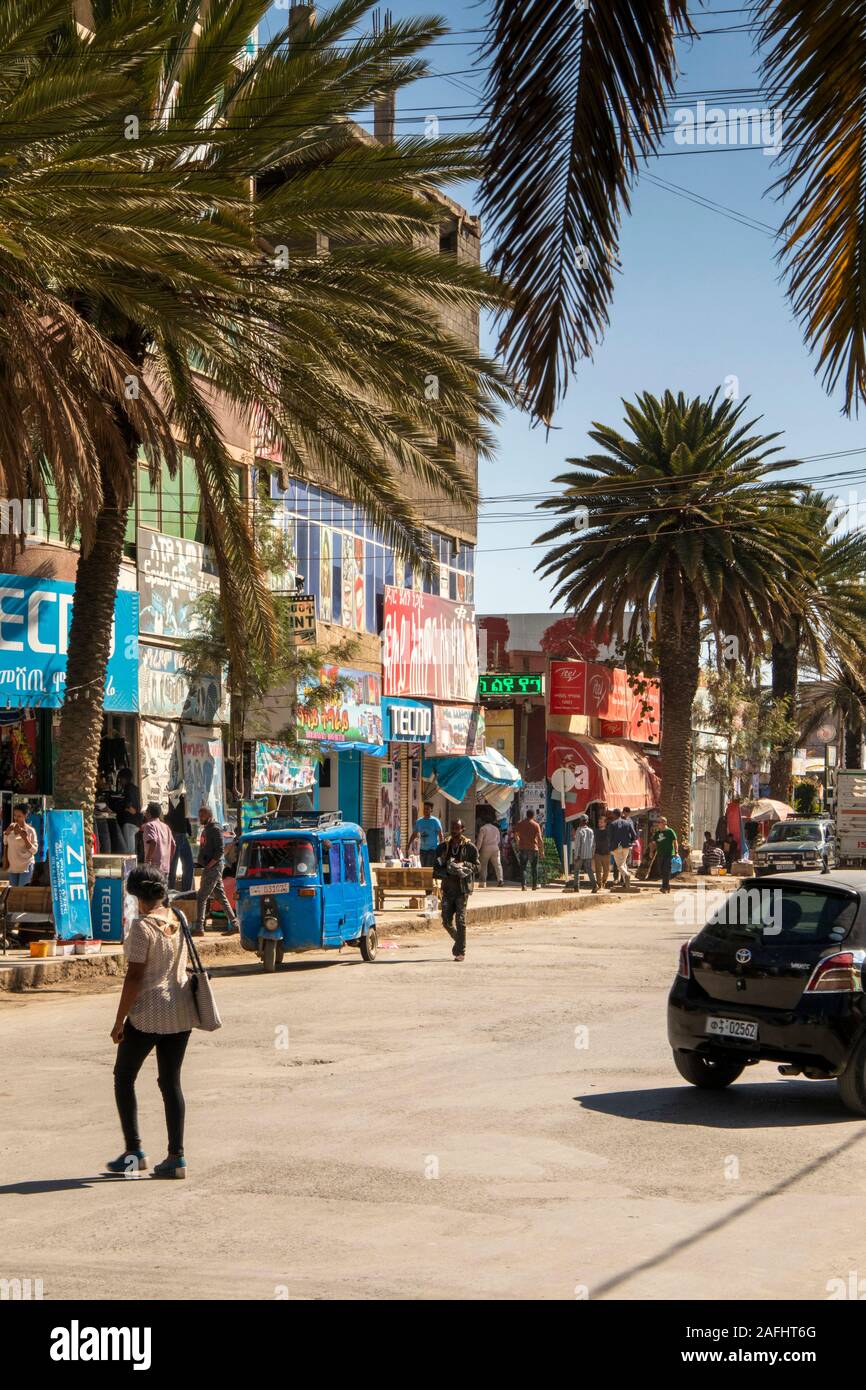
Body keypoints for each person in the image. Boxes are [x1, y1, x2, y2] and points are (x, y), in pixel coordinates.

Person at [107, 864, 196, 1180]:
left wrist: (119, 1021)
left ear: (136, 896)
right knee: (170, 1082)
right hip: (182, 1011)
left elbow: (134, 977)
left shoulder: (142, 928)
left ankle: (134, 1153)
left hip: (148, 1013)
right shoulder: (179, 918)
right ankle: (177, 1157)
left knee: (124, 1076)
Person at [433, 820, 479, 962]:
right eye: (452, 828)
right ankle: (458, 941)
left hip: (462, 890)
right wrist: (446, 871)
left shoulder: (470, 847)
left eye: (457, 828)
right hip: (447, 889)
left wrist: (463, 865)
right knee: (446, 922)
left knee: (460, 920)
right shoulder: (443, 847)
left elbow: (478, 867)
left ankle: (461, 951)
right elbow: (435, 868)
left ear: (462, 829)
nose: (454, 831)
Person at [195, 805, 239, 937]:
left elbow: (220, 851)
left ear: (208, 815)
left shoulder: (215, 829)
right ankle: (235, 924)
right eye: (199, 815)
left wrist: (210, 865)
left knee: (201, 896)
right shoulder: (208, 829)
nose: (200, 818)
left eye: (202, 815)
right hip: (211, 867)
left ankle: (199, 928)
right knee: (220, 896)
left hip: (214, 868)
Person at [166, 791, 194, 893]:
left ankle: (186, 891)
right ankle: (171, 891)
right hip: (176, 833)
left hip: (181, 833)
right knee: (174, 864)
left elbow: (185, 816)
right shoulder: (172, 797)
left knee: (188, 864)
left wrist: (189, 830)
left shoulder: (183, 798)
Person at [4, 805, 38, 886]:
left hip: (26, 866)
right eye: (15, 815)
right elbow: (5, 843)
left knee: (22, 892)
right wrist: (6, 833)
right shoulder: (10, 828)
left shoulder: (30, 830)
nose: (16, 818)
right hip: (13, 866)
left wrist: (25, 838)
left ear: (25, 816)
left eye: (19, 816)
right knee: (13, 893)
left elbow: (34, 851)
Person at [512, 808, 544, 891]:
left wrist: (518, 841)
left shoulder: (520, 824)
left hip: (523, 848)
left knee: (523, 868)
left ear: (526, 815)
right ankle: (534, 885)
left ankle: (524, 886)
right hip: (534, 848)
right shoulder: (536, 825)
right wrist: (542, 851)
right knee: (534, 868)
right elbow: (540, 839)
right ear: (533, 816)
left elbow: (515, 834)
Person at [141, 802, 175, 878]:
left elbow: (153, 841)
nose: (145, 814)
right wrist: (168, 861)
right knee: (163, 889)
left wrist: (147, 860)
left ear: (149, 813)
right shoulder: (166, 827)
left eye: (146, 811)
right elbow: (173, 845)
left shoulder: (149, 825)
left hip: (154, 868)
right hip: (165, 868)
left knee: (152, 889)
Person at [609, 808, 637, 888]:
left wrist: (610, 848)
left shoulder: (612, 824)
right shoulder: (627, 823)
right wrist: (630, 842)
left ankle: (626, 875)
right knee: (623, 863)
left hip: (617, 847)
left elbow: (610, 837)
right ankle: (626, 883)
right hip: (626, 847)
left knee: (619, 865)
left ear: (614, 815)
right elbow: (634, 835)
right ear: (620, 814)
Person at [410, 801, 444, 869]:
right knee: (423, 868)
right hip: (422, 850)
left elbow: (441, 835)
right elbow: (414, 834)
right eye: (424, 808)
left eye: (427, 809)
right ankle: (428, 879)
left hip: (432, 850)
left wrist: (441, 848)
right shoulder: (419, 821)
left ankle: (428, 879)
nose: (425, 810)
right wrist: (408, 844)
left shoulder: (435, 821)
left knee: (428, 868)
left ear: (431, 810)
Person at [116, 767, 142, 855]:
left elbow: (129, 805)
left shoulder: (127, 788)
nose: (119, 781)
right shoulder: (136, 788)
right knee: (132, 849)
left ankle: (131, 869)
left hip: (129, 822)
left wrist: (124, 808)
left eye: (120, 779)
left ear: (124, 778)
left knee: (129, 851)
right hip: (137, 823)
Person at [652, 815, 679, 894]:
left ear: (664, 823)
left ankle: (664, 887)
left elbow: (675, 842)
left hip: (669, 854)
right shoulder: (657, 833)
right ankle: (667, 886)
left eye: (659, 822)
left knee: (666, 870)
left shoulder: (670, 831)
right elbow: (654, 843)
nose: (658, 824)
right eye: (657, 822)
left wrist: (676, 852)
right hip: (660, 853)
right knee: (661, 870)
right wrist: (651, 851)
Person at [571, 814, 597, 893]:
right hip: (588, 854)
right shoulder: (591, 831)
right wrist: (592, 854)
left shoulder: (579, 830)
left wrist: (576, 856)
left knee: (576, 870)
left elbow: (578, 844)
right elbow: (593, 844)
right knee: (589, 870)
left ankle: (576, 887)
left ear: (581, 821)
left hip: (580, 855)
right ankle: (594, 886)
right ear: (587, 821)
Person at [476, 817, 503, 887]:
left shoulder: (483, 828)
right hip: (495, 848)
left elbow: (480, 840)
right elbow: (498, 840)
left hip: (485, 848)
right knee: (498, 865)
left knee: (484, 865)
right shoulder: (496, 828)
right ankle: (500, 880)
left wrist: (477, 850)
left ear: (484, 822)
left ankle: (483, 882)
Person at [593, 813, 611, 890]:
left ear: (605, 823)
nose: (599, 823)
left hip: (606, 853)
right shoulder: (595, 831)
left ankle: (604, 881)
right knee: (598, 870)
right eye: (599, 822)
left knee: (606, 870)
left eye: (601, 822)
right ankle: (599, 884)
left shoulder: (608, 832)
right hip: (597, 853)